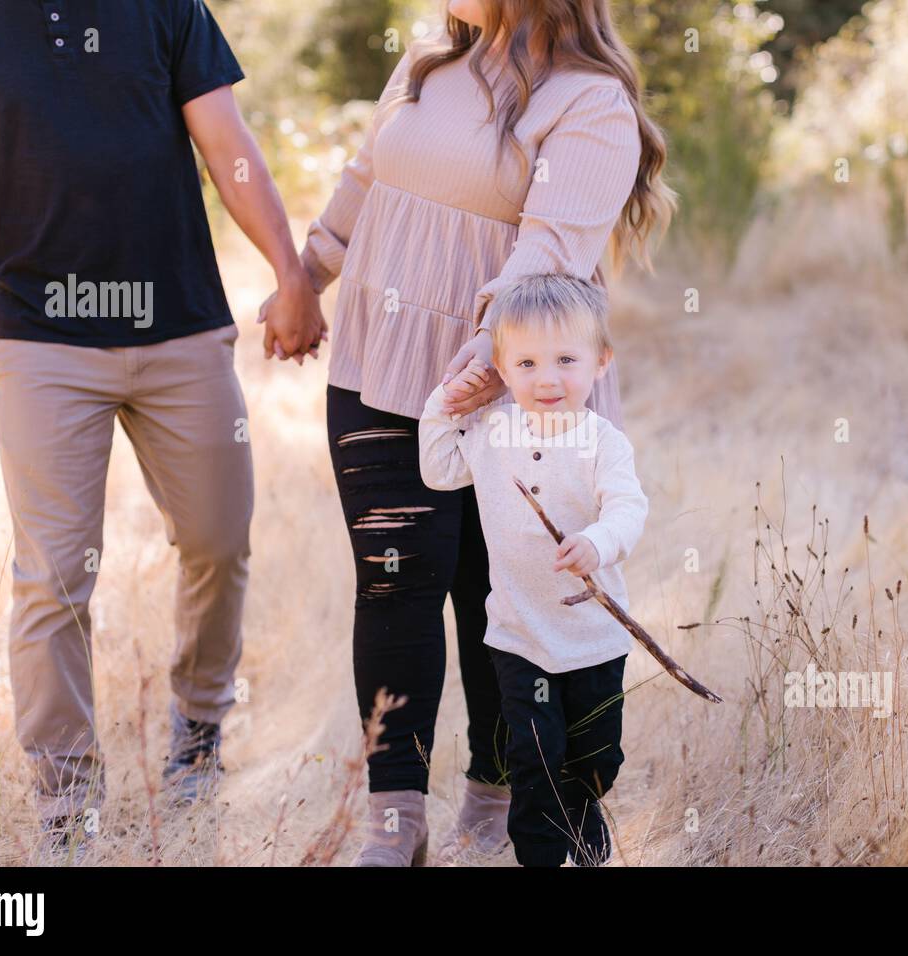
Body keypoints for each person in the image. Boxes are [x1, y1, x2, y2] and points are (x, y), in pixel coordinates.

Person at [0, 0, 325, 858]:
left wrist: (289, 271)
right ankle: (67, 804)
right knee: (53, 577)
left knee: (217, 539)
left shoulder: (164, 7)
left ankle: (198, 731)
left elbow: (228, 146)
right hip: (43, 341)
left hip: (183, 329)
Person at [262, 0, 674, 866]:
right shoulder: (425, 65)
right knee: (394, 581)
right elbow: (363, 179)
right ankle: (394, 821)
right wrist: (304, 277)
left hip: (517, 388)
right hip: (379, 364)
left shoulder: (588, 102)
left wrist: (477, 368)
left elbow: (549, 254)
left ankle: (496, 796)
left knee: (503, 593)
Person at [418, 272, 648, 866]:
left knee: (595, 757)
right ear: (502, 367)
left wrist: (598, 542)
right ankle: (542, 855)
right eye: (526, 364)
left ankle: (585, 818)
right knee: (535, 756)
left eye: (566, 359)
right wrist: (444, 400)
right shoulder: (494, 431)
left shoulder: (604, 441)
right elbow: (439, 469)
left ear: (602, 361)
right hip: (520, 637)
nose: (547, 379)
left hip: (595, 639)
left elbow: (628, 508)